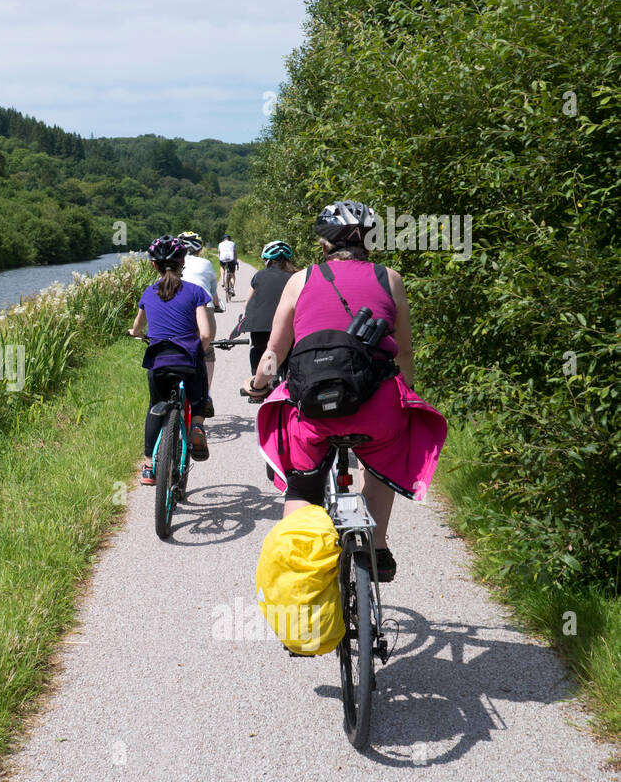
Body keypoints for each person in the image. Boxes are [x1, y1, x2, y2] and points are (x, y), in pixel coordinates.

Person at [242, 201, 447, 581]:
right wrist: (406, 394)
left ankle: (301, 574)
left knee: (302, 486)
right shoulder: (391, 278)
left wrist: (256, 386)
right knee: (380, 462)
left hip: (312, 410)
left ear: (323, 245)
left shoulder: (300, 280)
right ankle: (377, 545)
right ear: (371, 244)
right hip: (377, 410)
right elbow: (403, 352)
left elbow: (274, 353)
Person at [129, 235, 216, 482]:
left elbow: (137, 329)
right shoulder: (195, 291)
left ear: (154, 265)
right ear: (183, 263)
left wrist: (135, 334)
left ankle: (148, 467)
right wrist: (198, 348)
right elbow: (206, 333)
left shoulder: (148, 293)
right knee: (198, 395)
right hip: (187, 361)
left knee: (155, 408)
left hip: (159, 362)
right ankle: (197, 425)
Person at [242, 240, 298, 377]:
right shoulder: (296, 276)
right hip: (289, 329)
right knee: (290, 355)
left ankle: (260, 387)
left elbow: (247, 304)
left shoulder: (259, 276)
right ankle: (289, 383)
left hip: (262, 329)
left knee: (259, 351)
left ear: (267, 261)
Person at [179, 233, 222, 407]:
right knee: (207, 350)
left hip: (179, 309)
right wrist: (218, 306)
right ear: (199, 248)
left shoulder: (174, 264)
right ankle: (206, 394)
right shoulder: (206, 263)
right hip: (205, 308)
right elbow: (212, 293)